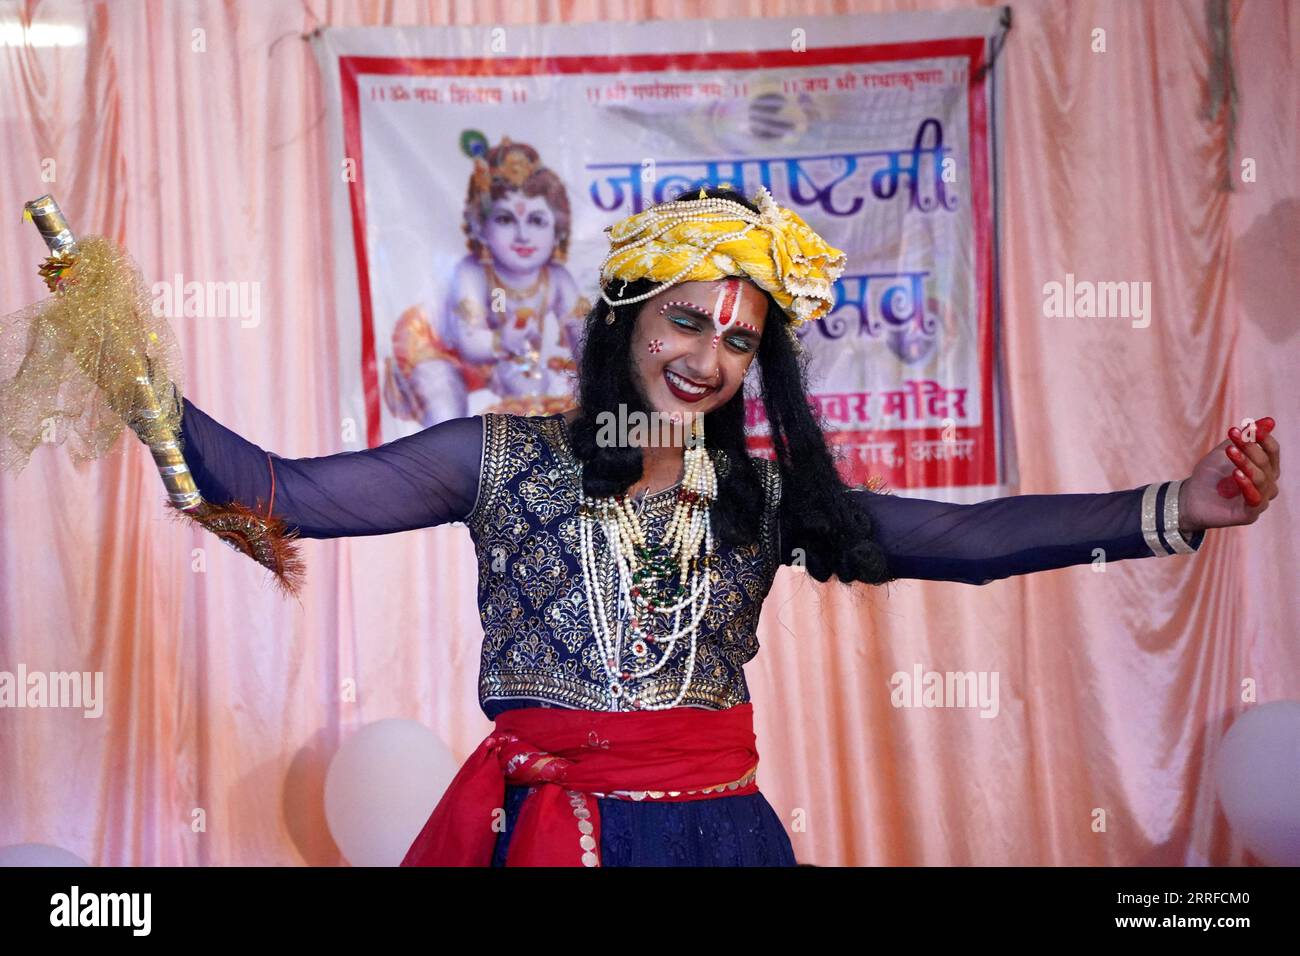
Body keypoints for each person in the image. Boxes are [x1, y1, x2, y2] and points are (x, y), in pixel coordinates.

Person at [170, 186, 1281, 866]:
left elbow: (971, 544)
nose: (707, 356)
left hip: (714, 840)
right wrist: (135, 378)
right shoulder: (496, 456)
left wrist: (1176, 509)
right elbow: (283, 491)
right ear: (628, 319)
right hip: (548, 832)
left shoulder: (760, 498)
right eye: (685, 320)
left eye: (739, 340)